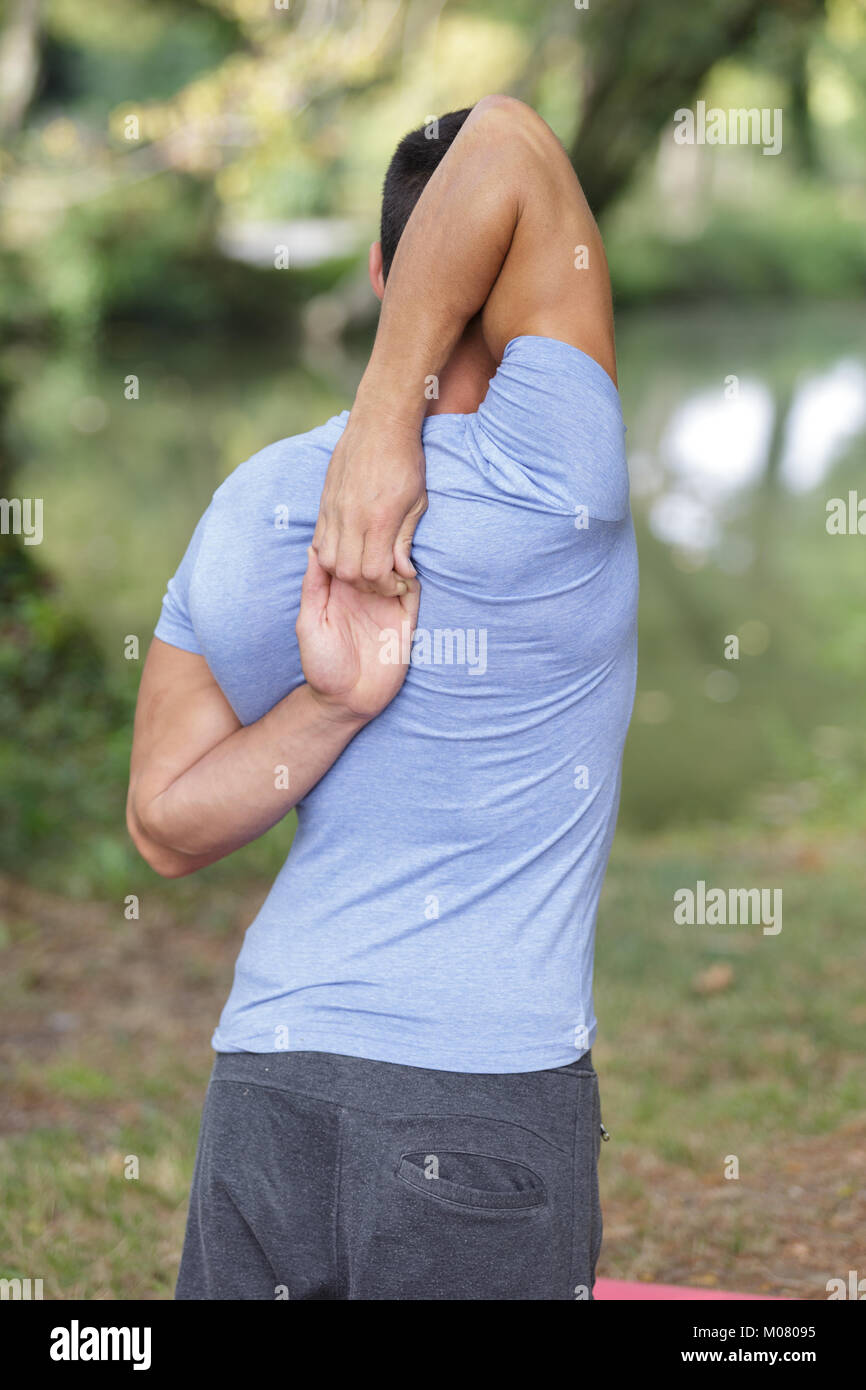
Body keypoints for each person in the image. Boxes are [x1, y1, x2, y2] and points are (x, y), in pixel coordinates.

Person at [127, 95, 638, 1301]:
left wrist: (325, 706)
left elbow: (163, 823)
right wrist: (342, 693)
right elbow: (507, 140)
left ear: (378, 268)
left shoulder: (254, 502)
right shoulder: (552, 469)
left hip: (268, 1079)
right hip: (480, 1102)